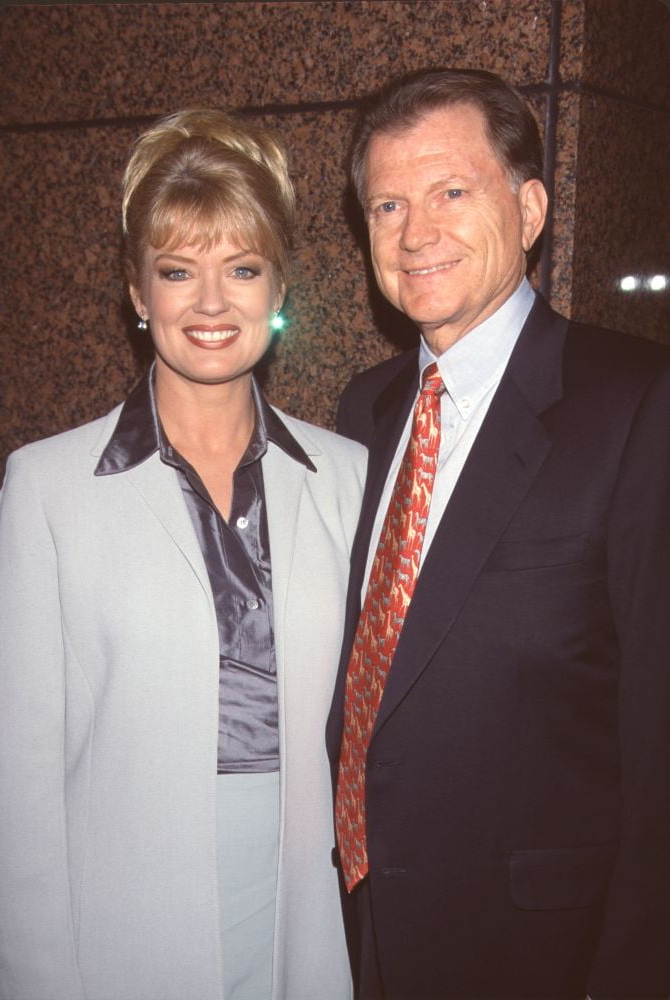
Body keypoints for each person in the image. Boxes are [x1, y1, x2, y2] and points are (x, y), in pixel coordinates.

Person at [0, 108, 365, 1000]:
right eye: (176, 271)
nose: (209, 303)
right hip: (120, 927)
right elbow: (16, 786)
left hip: (305, 910)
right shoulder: (47, 489)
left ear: (278, 291)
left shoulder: (347, 476)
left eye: (241, 269)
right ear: (135, 292)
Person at [326, 68, 670, 1000]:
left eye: (449, 192)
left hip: (539, 954)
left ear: (529, 208)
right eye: (386, 204)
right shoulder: (365, 409)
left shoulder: (636, 404)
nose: (415, 232)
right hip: (358, 931)